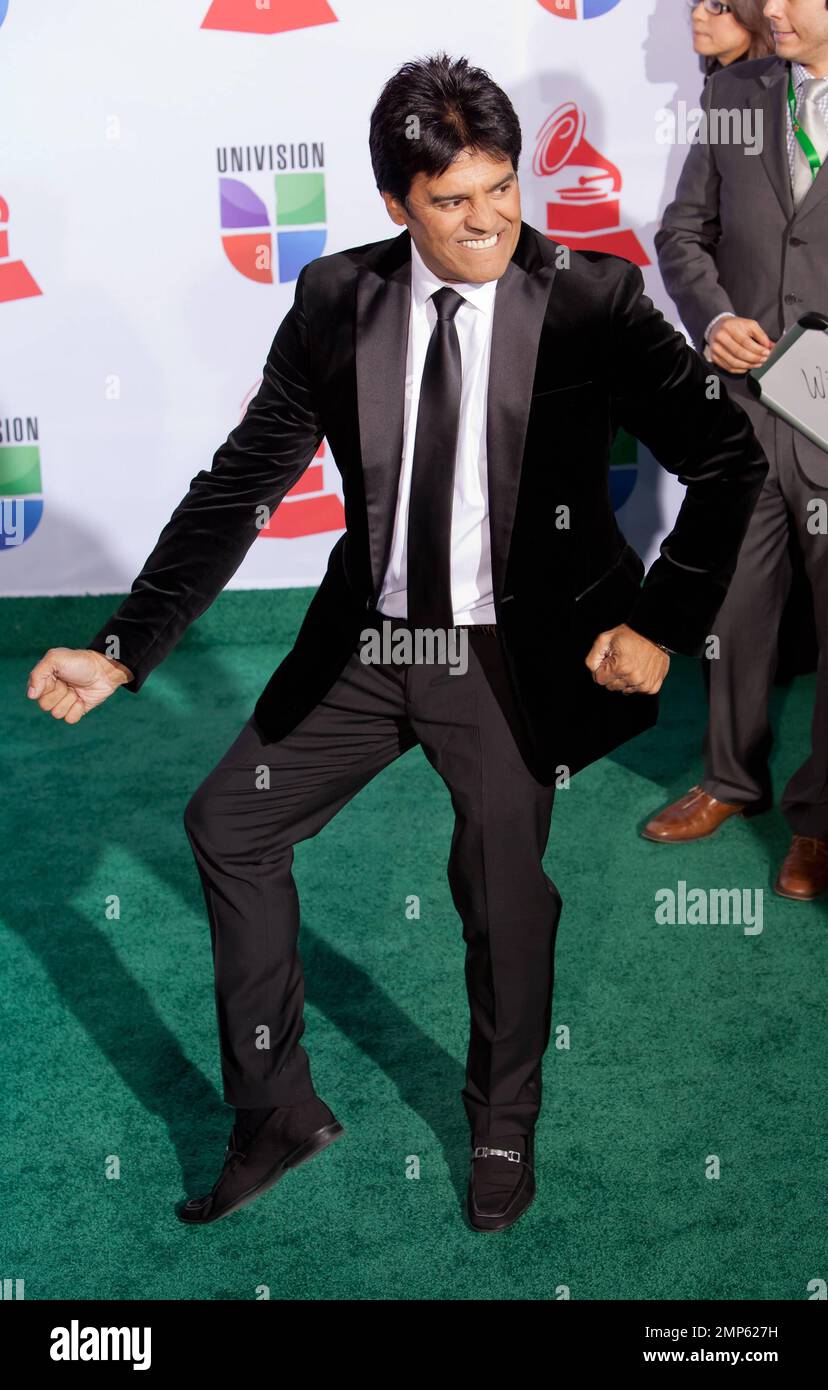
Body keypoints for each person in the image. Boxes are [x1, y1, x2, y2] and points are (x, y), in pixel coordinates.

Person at [26, 53, 768, 1234]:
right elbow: (241, 487)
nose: (485, 225)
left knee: (499, 889)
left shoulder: (591, 298)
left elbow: (732, 459)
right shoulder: (334, 299)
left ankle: (500, 1119)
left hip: (511, 658)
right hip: (371, 648)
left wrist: (662, 625)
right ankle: (275, 1111)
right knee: (229, 821)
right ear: (394, 204)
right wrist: (122, 649)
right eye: (450, 202)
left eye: (500, 190)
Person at [645, 0, 828, 899]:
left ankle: (821, 819)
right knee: (735, 604)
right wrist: (713, 317)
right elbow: (682, 232)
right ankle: (728, 778)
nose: (773, 12)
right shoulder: (736, 91)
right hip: (749, 410)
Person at [687, 0, 774, 82]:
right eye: (697, 1)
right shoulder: (717, 76)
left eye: (715, 5)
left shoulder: (773, 90)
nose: (696, 15)